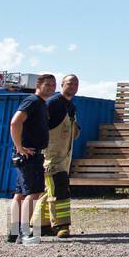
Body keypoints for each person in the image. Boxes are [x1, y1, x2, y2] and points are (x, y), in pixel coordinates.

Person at [8, 74, 55, 245]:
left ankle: (14, 232)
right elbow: (15, 122)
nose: (51, 88)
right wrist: (20, 147)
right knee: (33, 193)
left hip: (30, 155)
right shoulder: (33, 101)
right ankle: (24, 233)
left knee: (20, 194)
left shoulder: (41, 104)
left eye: (53, 85)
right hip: (30, 155)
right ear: (38, 85)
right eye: (47, 85)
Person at [38, 73, 81, 237]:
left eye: (76, 84)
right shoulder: (53, 103)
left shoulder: (71, 106)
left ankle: (40, 224)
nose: (73, 86)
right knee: (59, 190)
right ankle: (61, 226)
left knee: (49, 190)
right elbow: (39, 125)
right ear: (62, 85)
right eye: (70, 83)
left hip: (65, 156)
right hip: (52, 155)